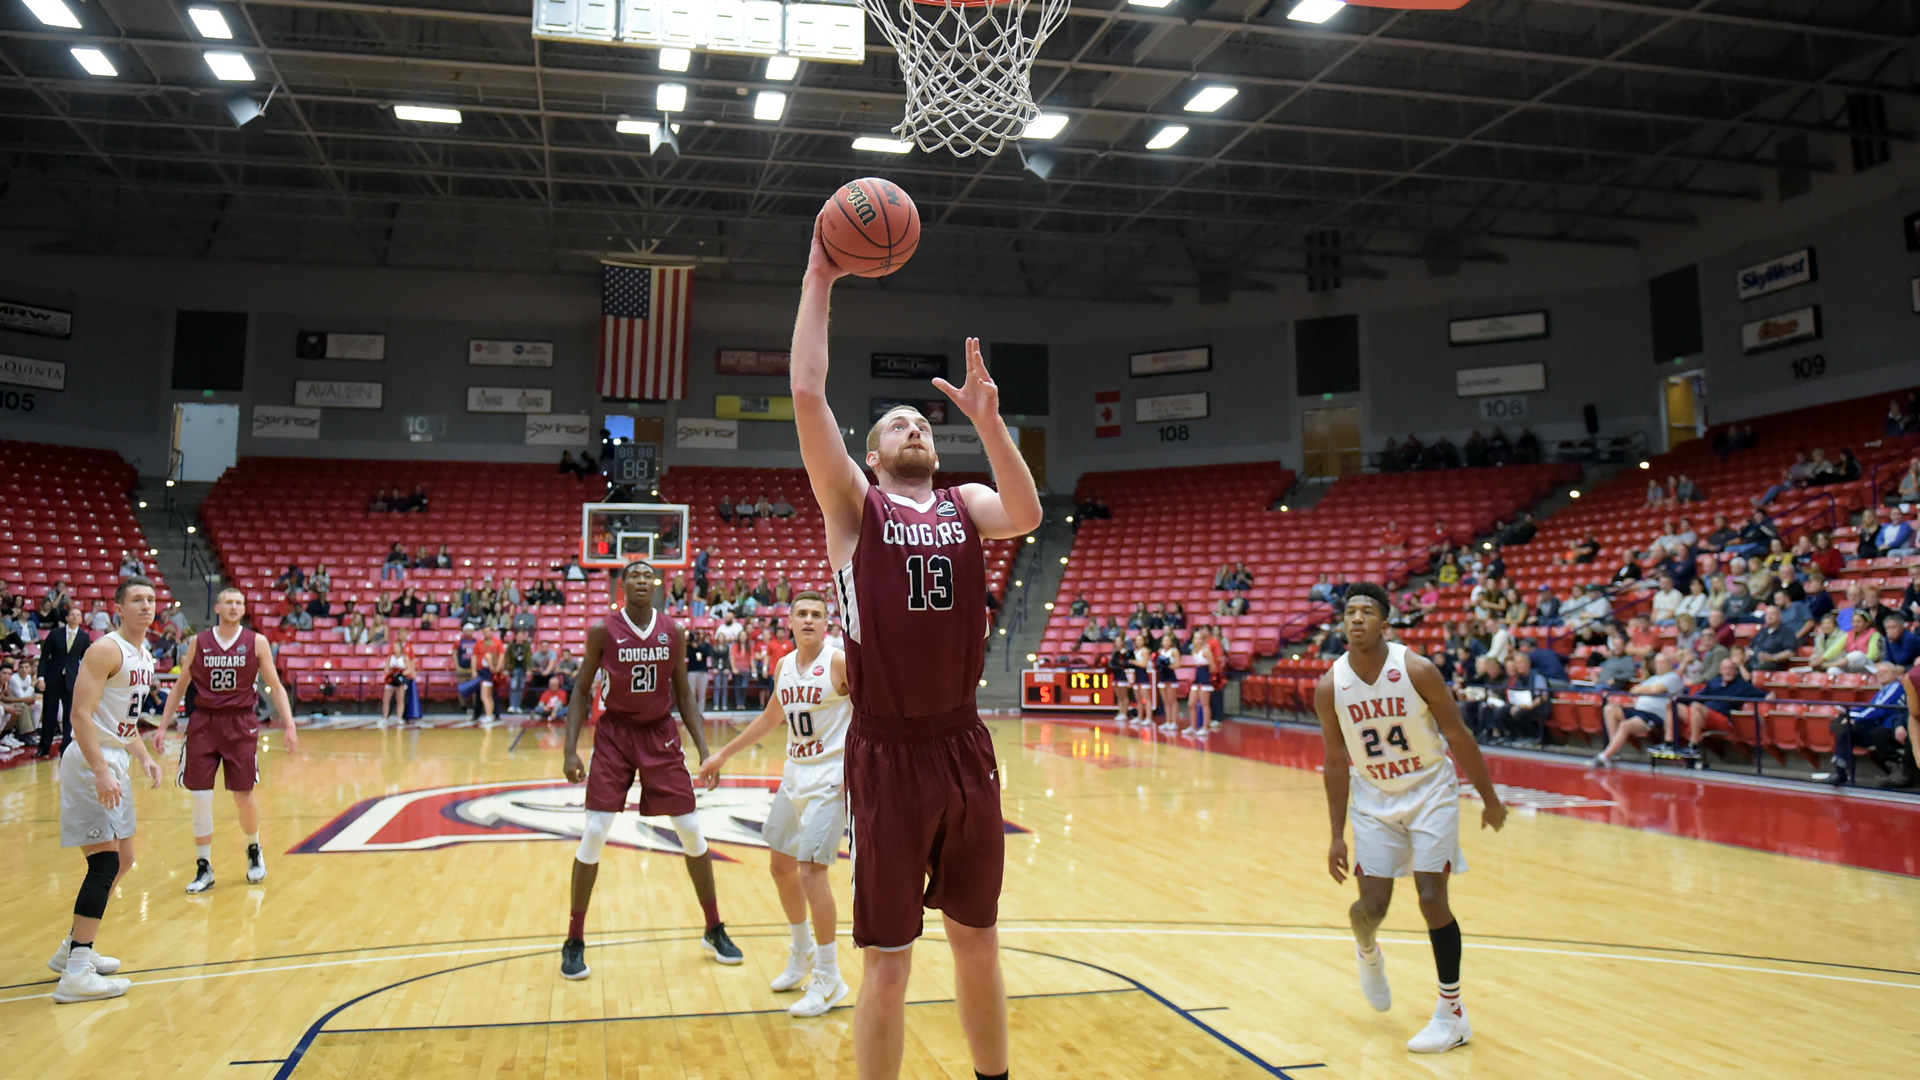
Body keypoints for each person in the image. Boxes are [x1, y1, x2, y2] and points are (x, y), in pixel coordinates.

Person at [793, 232, 1042, 1080]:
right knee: (890, 961)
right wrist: (821, 274)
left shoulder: (968, 502)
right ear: (870, 455)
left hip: (965, 741)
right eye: (895, 422)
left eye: (921, 421)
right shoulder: (855, 508)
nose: (912, 425)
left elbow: (1028, 510)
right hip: (889, 750)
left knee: (979, 937)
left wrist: (990, 419)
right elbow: (805, 390)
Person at [1315, 583, 1506, 1055]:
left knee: (1430, 895)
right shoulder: (1329, 685)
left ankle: (1452, 1014)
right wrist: (1336, 836)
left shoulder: (1416, 669)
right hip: (1373, 798)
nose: (1356, 618)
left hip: (1429, 789)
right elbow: (1336, 761)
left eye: (1367, 611)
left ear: (1385, 623)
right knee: (1370, 909)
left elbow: (1458, 735)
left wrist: (1489, 796)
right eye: (1350, 612)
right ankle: (1367, 950)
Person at [560, 561, 739, 979]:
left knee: (692, 830)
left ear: (656, 585)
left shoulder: (672, 630)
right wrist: (570, 750)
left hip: (660, 734)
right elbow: (581, 689)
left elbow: (684, 694)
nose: (642, 581)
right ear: (623, 586)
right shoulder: (603, 630)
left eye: (648, 576)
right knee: (595, 831)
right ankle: (574, 938)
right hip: (615, 735)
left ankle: (714, 927)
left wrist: (705, 751)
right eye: (634, 576)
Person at [700, 592, 852, 1017]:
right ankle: (801, 953)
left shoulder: (839, 662)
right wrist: (721, 755)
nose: (808, 620)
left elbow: (873, 710)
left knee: (811, 872)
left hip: (831, 779)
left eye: (816, 615)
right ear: (789, 621)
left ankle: (829, 976)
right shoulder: (785, 665)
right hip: (794, 775)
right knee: (780, 867)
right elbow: (770, 718)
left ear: (827, 623)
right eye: (801, 614)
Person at [49, 576, 163, 1004]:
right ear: (118, 608)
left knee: (124, 860)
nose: (146, 606)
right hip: (90, 762)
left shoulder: (143, 655)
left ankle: (69, 951)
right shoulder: (105, 649)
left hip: (114, 760)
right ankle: (78, 969)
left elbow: (123, 724)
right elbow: (81, 714)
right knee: (104, 864)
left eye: (151, 599)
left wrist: (144, 757)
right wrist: (99, 768)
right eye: (137, 599)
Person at [157, 588, 299, 894]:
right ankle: (204, 865)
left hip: (240, 724)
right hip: (204, 723)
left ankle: (253, 848)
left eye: (239, 603)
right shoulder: (199, 642)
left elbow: (274, 685)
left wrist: (289, 724)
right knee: (200, 796)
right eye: (229, 602)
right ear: (218, 607)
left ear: (244, 609)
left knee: (243, 795)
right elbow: (181, 687)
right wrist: (161, 727)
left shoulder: (256, 641)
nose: (234, 607)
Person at [1813, 662, 1911, 787]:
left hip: (1887, 729)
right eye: (1878, 673)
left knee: (1849, 728)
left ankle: (1842, 772)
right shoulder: (1883, 689)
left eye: (1884, 672)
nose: (1880, 675)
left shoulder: (1896, 688)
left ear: (1896, 674)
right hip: (1876, 727)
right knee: (1846, 731)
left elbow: (1878, 710)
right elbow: (1868, 707)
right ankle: (1840, 771)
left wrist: (1855, 718)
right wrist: (1848, 712)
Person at [1593, 652, 1686, 767]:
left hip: (1654, 714)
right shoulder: (1653, 678)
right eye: (1657, 663)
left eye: (1662, 663)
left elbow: (1656, 690)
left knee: (1625, 725)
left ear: (1670, 664)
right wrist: (1645, 689)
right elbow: (1634, 689)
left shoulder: (1674, 677)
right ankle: (1614, 751)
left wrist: (1643, 689)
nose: (1659, 665)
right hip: (1638, 710)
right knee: (1610, 709)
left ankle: (1604, 756)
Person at [35, 606, 91, 759]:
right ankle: (44, 748)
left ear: (81, 619)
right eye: (71, 614)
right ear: (67, 618)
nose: (74, 617)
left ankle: (66, 748)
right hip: (53, 679)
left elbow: (87, 661)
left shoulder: (84, 637)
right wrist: (41, 677)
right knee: (49, 714)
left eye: (77, 615)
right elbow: (45, 657)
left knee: (70, 716)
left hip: (72, 681)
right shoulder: (55, 634)